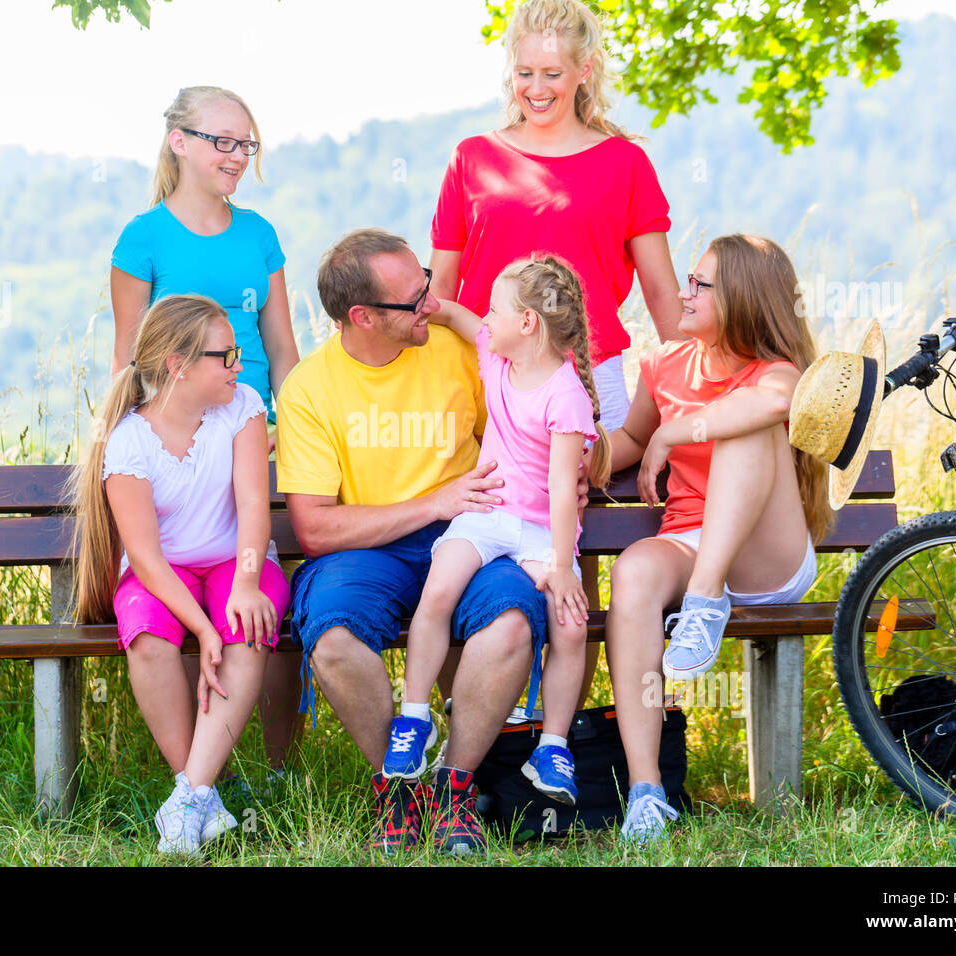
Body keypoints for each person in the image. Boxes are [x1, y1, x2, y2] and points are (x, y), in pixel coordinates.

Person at [276, 229, 556, 855]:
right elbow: (317, 529)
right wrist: (431, 502)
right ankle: (398, 790)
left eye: (427, 282)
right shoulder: (310, 389)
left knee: (511, 622)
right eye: (413, 299)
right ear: (363, 317)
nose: (432, 302)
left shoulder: (460, 351)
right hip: (366, 551)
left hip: (472, 533)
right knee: (334, 638)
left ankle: (454, 787)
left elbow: (524, 435)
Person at [604, 234, 833, 842]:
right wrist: (575, 455)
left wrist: (678, 430)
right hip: (689, 538)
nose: (683, 291)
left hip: (764, 557)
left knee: (747, 423)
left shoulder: (778, 372)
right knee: (631, 572)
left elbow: (769, 406)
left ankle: (705, 601)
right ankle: (647, 791)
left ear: (743, 300)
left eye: (700, 284)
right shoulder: (664, 365)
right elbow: (628, 440)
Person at [109, 85, 301, 771]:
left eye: (246, 144)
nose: (237, 156)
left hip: (254, 437)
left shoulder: (259, 235)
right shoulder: (143, 238)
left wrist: (293, 432)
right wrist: (136, 444)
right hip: (180, 436)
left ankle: (281, 774)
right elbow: (128, 358)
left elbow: (281, 350)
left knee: (262, 607)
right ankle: (203, 782)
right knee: (183, 602)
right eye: (223, 141)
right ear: (179, 141)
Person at [381, 255, 611, 810]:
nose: (487, 319)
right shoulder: (497, 355)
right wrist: (433, 311)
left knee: (570, 624)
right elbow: (465, 321)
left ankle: (553, 746)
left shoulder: (566, 396)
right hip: (487, 513)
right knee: (439, 589)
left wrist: (562, 565)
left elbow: (562, 491)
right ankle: (414, 719)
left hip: (538, 530)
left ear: (528, 323)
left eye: (497, 309)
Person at [72, 294, 290, 855]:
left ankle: (189, 798)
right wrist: (201, 628)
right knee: (146, 636)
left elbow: (253, 511)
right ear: (178, 364)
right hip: (164, 575)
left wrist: (245, 581)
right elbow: (144, 559)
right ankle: (200, 795)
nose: (239, 365)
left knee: (250, 621)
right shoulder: (128, 441)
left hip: (233, 562)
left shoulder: (242, 408)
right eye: (226, 355)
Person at [430, 0, 683, 433]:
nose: (536, 88)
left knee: (593, 495)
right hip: (482, 377)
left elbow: (661, 291)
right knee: (489, 501)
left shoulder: (625, 163)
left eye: (552, 74)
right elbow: (441, 288)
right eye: (525, 72)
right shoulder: (471, 158)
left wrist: (690, 391)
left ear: (583, 70)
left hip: (590, 377)